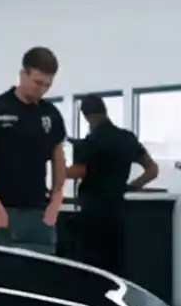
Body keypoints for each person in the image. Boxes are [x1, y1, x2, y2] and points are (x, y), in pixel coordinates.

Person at [0, 47, 67, 255]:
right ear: (23, 74)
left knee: (42, 279)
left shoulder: (51, 114)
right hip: (3, 211)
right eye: (37, 83)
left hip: (40, 213)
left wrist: (56, 202)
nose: (42, 90)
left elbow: (58, 160)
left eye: (47, 85)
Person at [65, 95, 159, 275]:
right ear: (105, 110)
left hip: (92, 214)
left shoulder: (90, 141)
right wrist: (131, 187)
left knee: (91, 270)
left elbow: (78, 172)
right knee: (115, 268)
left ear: (86, 116)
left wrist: (57, 170)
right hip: (118, 213)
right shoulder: (127, 138)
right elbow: (152, 170)